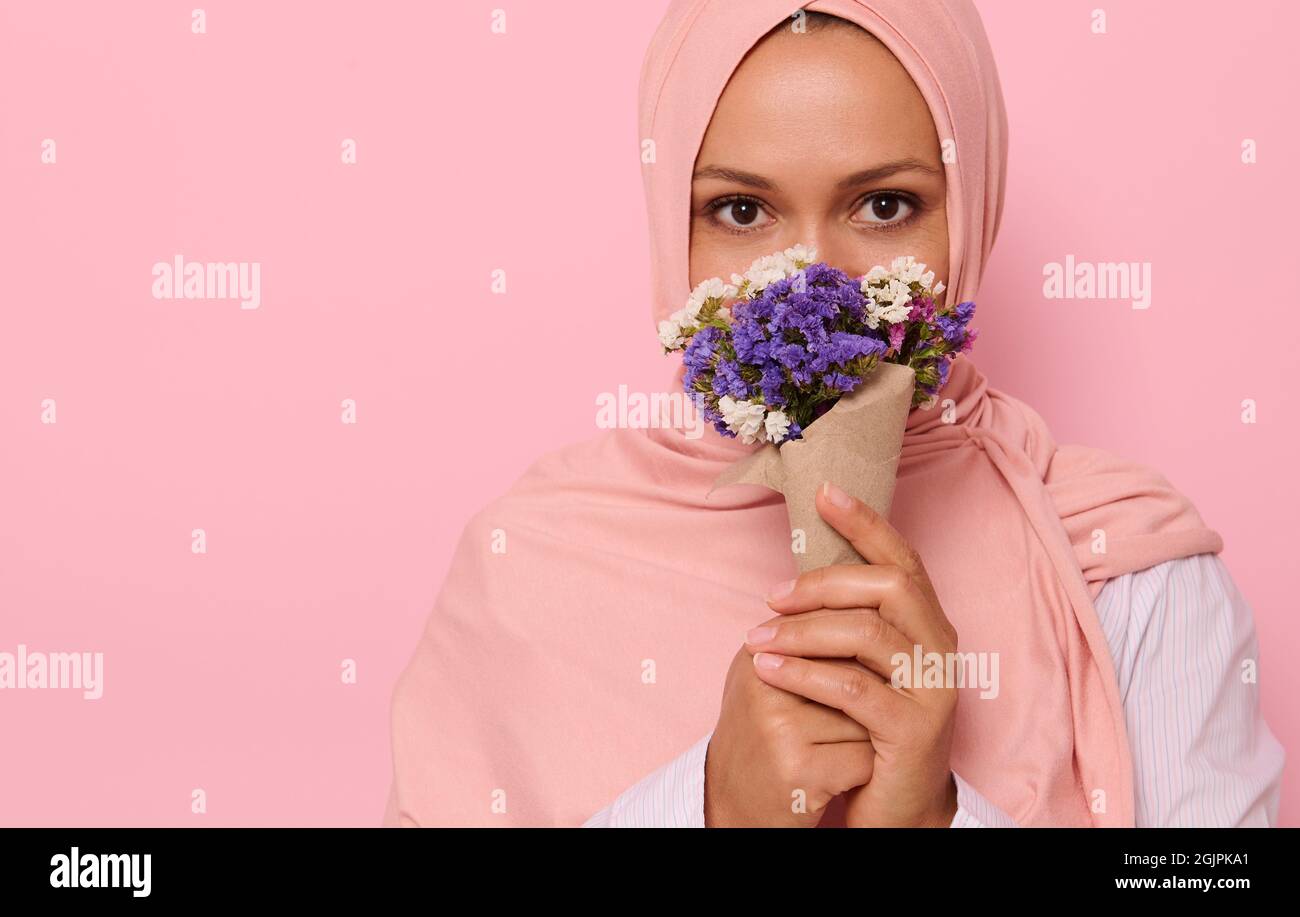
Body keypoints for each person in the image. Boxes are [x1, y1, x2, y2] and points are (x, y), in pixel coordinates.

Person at [383, 0, 1284, 828]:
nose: (815, 280)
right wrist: (707, 809)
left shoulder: (1126, 567)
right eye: (741, 209)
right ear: (671, 228)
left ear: (971, 215)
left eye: (885, 204)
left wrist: (938, 817)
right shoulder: (529, 557)